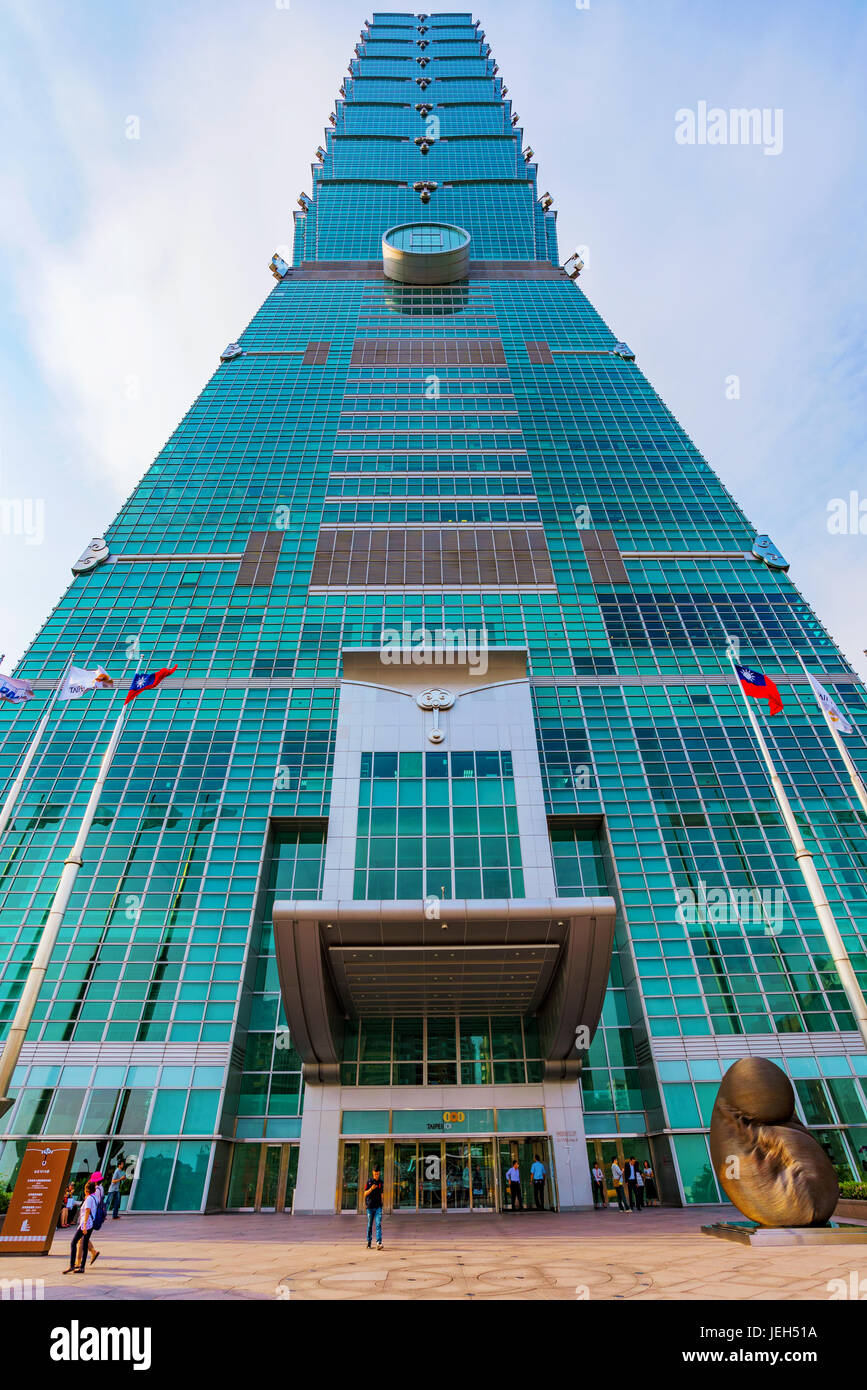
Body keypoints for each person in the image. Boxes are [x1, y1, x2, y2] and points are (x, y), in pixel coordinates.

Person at [63, 1181, 97, 1273]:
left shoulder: (89, 1199)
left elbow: (87, 1211)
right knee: (85, 1245)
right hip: (90, 1224)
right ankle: (82, 1267)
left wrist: (84, 1225)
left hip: (86, 1224)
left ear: (86, 1190)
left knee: (73, 1242)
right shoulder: (94, 1198)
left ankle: (72, 1265)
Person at [364, 1165, 384, 1249]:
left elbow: (382, 1194)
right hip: (370, 1207)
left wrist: (382, 1204)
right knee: (369, 1225)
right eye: (375, 1174)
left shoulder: (381, 1182)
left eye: (378, 1174)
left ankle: (379, 1242)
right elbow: (365, 1193)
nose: (376, 1176)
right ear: (373, 1173)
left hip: (378, 1207)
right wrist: (371, 1188)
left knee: (378, 1224)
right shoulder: (369, 1181)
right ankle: (368, 1241)